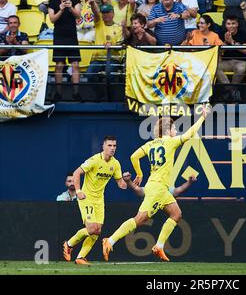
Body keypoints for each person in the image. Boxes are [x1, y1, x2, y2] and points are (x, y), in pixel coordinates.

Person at [102, 105, 209, 262]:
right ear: (168, 130)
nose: (176, 131)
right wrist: (203, 117)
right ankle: (109, 241)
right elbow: (190, 134)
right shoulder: (170, 142)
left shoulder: (151, 144)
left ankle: (159, 246)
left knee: (176, 214)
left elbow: (134, 157)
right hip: (157, 188)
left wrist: (140, 173)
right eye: (174, 128)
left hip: (160, 188)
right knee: (139, 219)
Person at [62, 135, 127, 265]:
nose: (112, 148)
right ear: (103, 146)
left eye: (114, 146)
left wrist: (127, 181)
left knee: (97, 231)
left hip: (99, 200)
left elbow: (121, 183)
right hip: (86, 197)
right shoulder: (95, 160)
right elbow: (76, 173)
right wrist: (79, 191)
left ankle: (80, 257)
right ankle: (68, 244)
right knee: (92, 229)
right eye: (109, 145)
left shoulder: (116, 164)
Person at [48, 0, 83, 103]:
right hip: (59, 37)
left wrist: (70, 8)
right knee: (59, 65)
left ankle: (76, 93)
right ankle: (58, 93)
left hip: (72, 37)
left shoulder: (74, 0)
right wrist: (61, 9)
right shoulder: (52, 2)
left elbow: (78, 16)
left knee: (75, 65)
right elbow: (52, 19)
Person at [87, 3, 125, 86]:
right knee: (89, 75)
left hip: (113, 59)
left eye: (108, 12)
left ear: (113, 13)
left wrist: (112, 46)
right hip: (97, 59)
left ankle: (110, 96)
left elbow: (120, 46)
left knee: (109, 76)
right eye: (103, 12)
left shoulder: (119, 28)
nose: (105, 14)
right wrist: (93, 4)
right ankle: (101, 95)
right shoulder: (99, 23)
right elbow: (96, 13)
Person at [216, 16, 246, 86]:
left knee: (241, 69)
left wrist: (232, 42)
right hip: (225, 61)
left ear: (237, 24)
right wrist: (225, 42)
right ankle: (231, 90)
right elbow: (219, 52)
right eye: (228, 24)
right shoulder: (221, 34)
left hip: (240, 61)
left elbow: (245, 51)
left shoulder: (244, 34)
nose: (231, 26)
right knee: (214, 68)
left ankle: (231, 91)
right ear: (225, 25)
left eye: (233, 23)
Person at [123, 171, 197, 198]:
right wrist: (128, 180)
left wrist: (189, 182)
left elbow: (178, 190)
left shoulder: (165, 189)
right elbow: (137, 190)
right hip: (150, 213)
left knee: (177, 215)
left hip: (162, 216)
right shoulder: (150, 188)